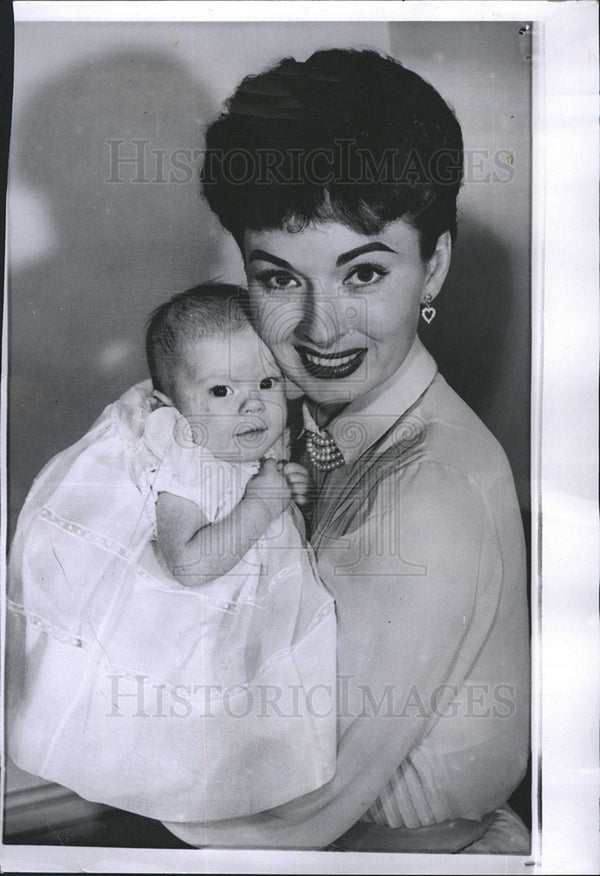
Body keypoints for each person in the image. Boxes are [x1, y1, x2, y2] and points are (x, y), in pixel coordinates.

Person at [163, 49, 531, 852]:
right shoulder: (300, 425)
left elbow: (283, 805)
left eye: (363, 274)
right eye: (280, 279)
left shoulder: (431, 495)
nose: (320, 331)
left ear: (433, 267)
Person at [6, 284, 337, 823]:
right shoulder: (187, 457)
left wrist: (284, 484)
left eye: (267, 381)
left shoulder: (246, 433)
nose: (253, 402)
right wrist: (261, 504)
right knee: (187, 733)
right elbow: (187, 563)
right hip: (191, 621)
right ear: (174, 408)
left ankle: (239, 798)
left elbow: (267, 478)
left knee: (248, 716)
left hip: (246, 605)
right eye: (221, 391)